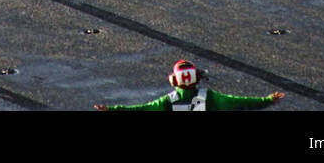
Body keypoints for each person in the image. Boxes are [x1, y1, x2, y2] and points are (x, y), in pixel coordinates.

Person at [95, 60, 284, 112]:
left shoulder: (169, 101)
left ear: (174, 81)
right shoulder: (207, 97)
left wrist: (112, 109)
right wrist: (267, 100)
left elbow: (142, 110)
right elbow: (238, 103)